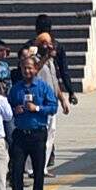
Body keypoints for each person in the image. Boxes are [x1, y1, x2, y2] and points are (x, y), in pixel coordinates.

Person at [7, 56, 58, 190]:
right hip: (21, 134)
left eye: (30, 68)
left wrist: (37, 108)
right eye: (24, 68)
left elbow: (53, 107)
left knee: (38, 171)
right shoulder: (16, 88)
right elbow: (8, 106)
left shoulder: (43, 87)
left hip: (37, 133)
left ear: (36, 69)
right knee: (16, 169)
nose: (27, 71)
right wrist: (15, 110)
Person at [33, 34, 70, 177]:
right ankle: (33, 168)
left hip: (51, 102)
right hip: (40, 103)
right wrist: (46, 57)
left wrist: (62, 100)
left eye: (50, 44)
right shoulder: (35, 60)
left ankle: (42, 167)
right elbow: (35, 70)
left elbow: (55, 82)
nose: (48, 47)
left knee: (50, 134)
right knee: (40, 136)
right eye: (45, 44)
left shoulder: (51, 62)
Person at [34, 15, 78, 106]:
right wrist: (70, 91)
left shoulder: (31, 46)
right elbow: (64, 71)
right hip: (46, 91)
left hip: (41, 91)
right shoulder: (55, 46)